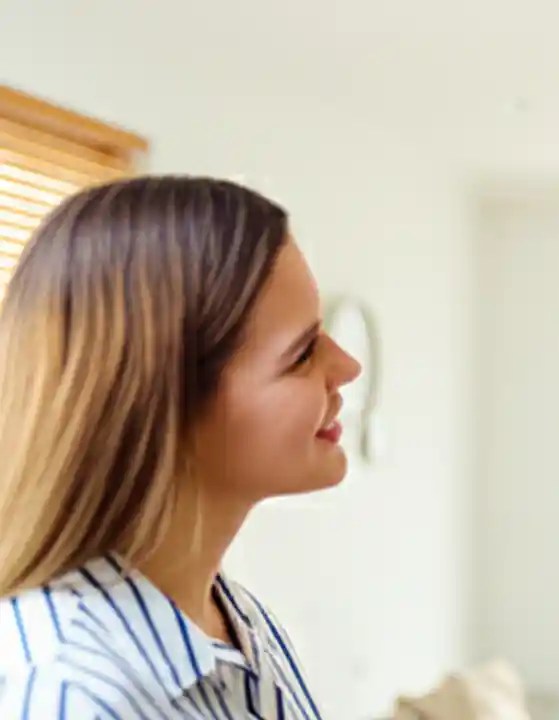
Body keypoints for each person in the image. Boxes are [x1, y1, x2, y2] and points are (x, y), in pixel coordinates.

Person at [0, 176, 360, 718]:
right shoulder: (68, 695)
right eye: (303, 353)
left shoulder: (237, 623)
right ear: (166, 406)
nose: (348, 366)